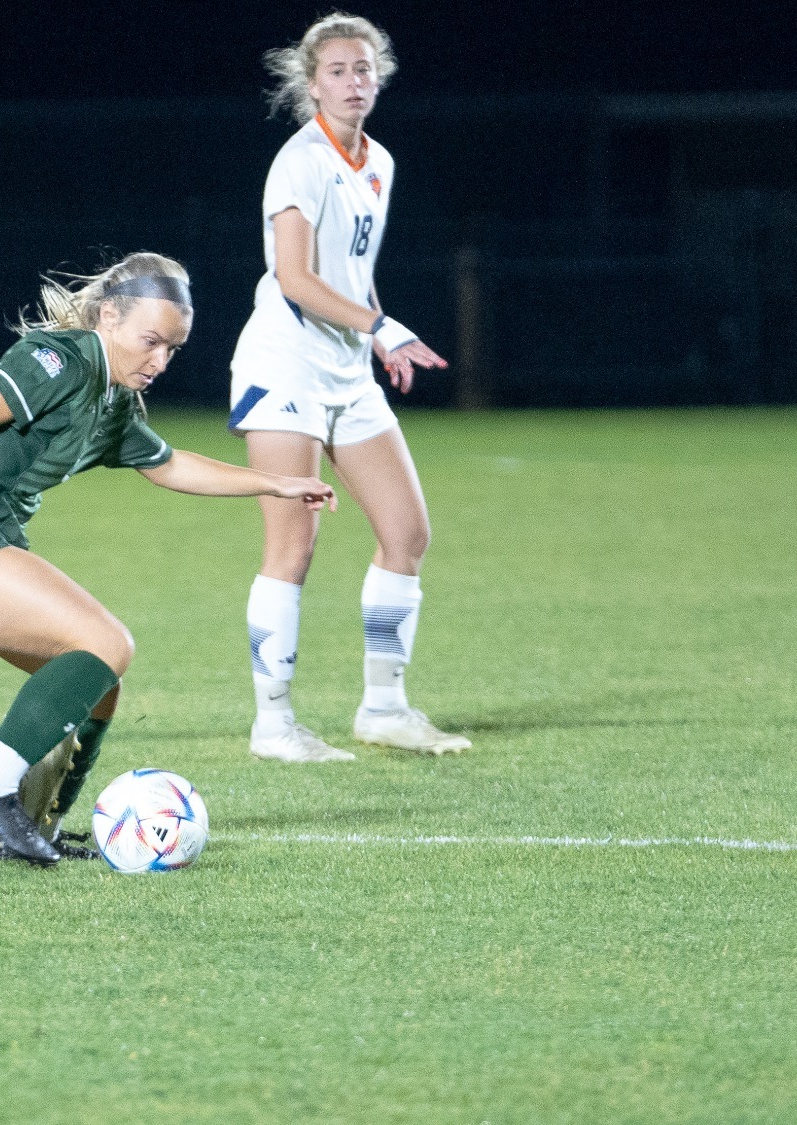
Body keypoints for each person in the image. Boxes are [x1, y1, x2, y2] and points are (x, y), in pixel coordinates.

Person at [0, 252, 338, 866]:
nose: (160, 361)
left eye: (173, 349)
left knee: (99, 687)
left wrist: (276, 484)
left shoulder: (114, 400)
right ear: (107, 317)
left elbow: (170, 465)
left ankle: (35, 827)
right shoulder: (61, 360)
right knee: (106, 643)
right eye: (150, 341)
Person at [229, 12, 471, 763]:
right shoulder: (299, 160)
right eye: (337, 70)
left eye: (363, 68)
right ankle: (273, 724)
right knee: (293, 542)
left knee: (406, 533)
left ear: (379, 75)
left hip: (346, 369)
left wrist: (373, 338)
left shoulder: (380, 161)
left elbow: (348, 274)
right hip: (283, 364)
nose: (352, 81)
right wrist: (382, 326)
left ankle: (385, 708)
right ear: (311, 84)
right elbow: (296, 281)